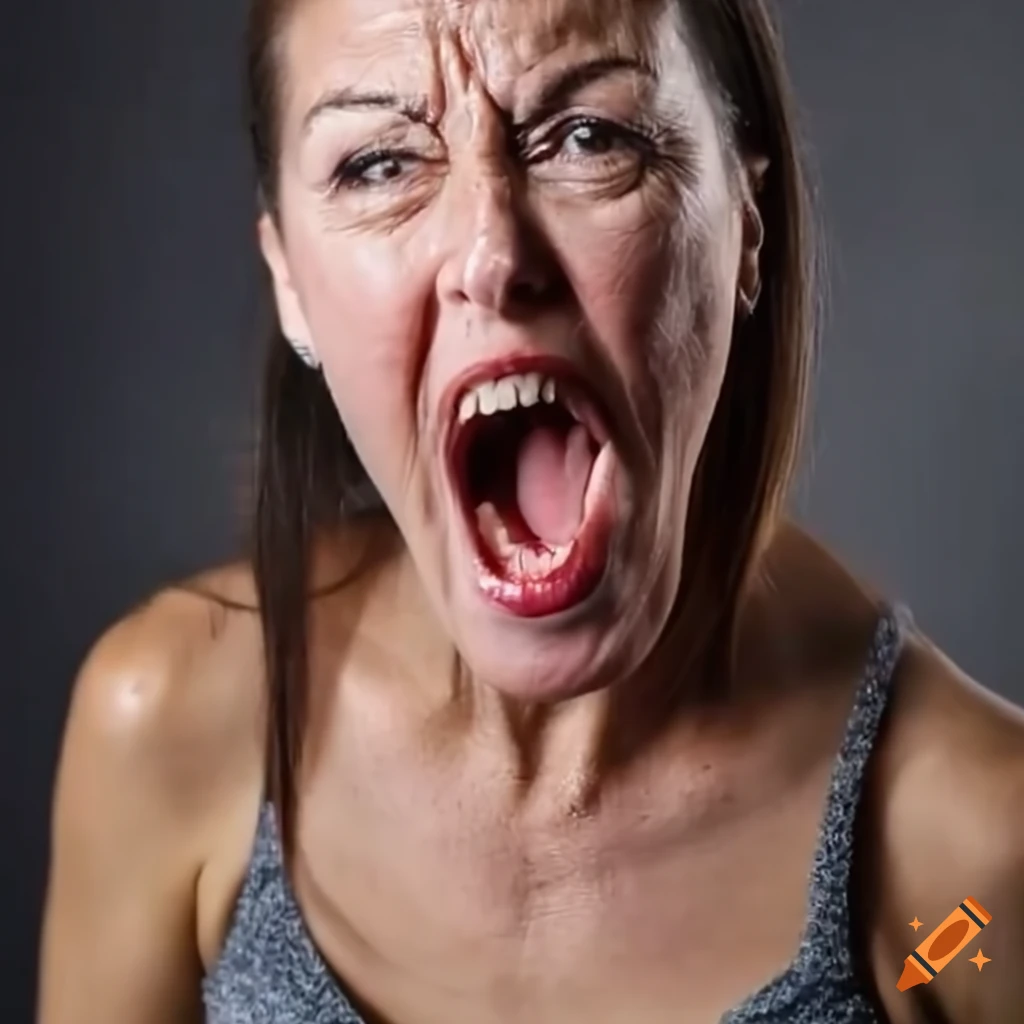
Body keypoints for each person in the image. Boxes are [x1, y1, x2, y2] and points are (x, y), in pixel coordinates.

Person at [37, 0, 1024, 1021]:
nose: (491, 256)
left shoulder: (969, 882)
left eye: (589, 137)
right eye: (379, 163)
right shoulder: (170, 722)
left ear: (744, 226)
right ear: (288, 277)